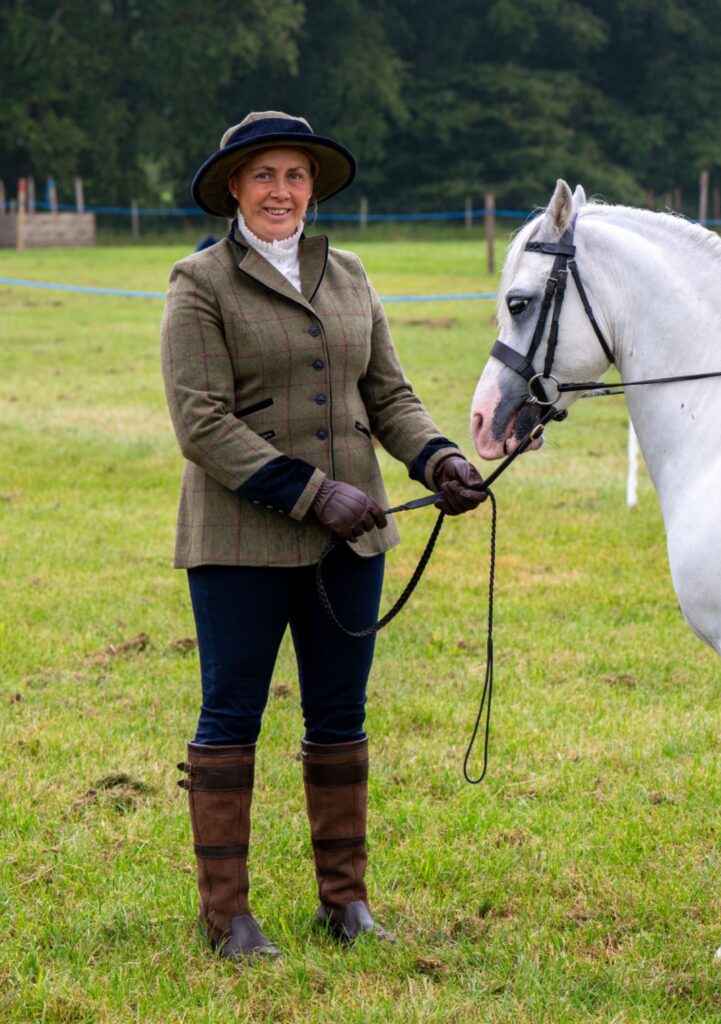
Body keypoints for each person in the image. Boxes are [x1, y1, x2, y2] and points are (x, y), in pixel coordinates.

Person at [160, 111, 488, 959]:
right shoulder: (198, 284)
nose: (280, 192)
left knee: (339, 713)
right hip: (240, 540)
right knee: (231, 712)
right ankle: (226, 917)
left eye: (294, 176)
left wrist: (438, 459)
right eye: (263, 176)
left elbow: (389, 395)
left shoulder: (349, 275)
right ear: (234, 187)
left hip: (352, 543)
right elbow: (201, 422)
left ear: (314, 187)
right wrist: (313, 493)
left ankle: (344, 904)